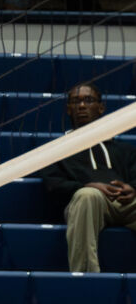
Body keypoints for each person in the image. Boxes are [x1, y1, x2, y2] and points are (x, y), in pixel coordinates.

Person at [39, 80, 136, 273]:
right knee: (87, 196)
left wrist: (133, 188)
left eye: (88, 100)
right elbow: (53, 185)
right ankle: (87, 278)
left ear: (101, 108)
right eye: (76, 101)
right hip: (89, 203)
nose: (82, 105)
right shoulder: (55, 150)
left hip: (125, 202)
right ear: (69, 109)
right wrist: (88, 186)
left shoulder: (124, 149)